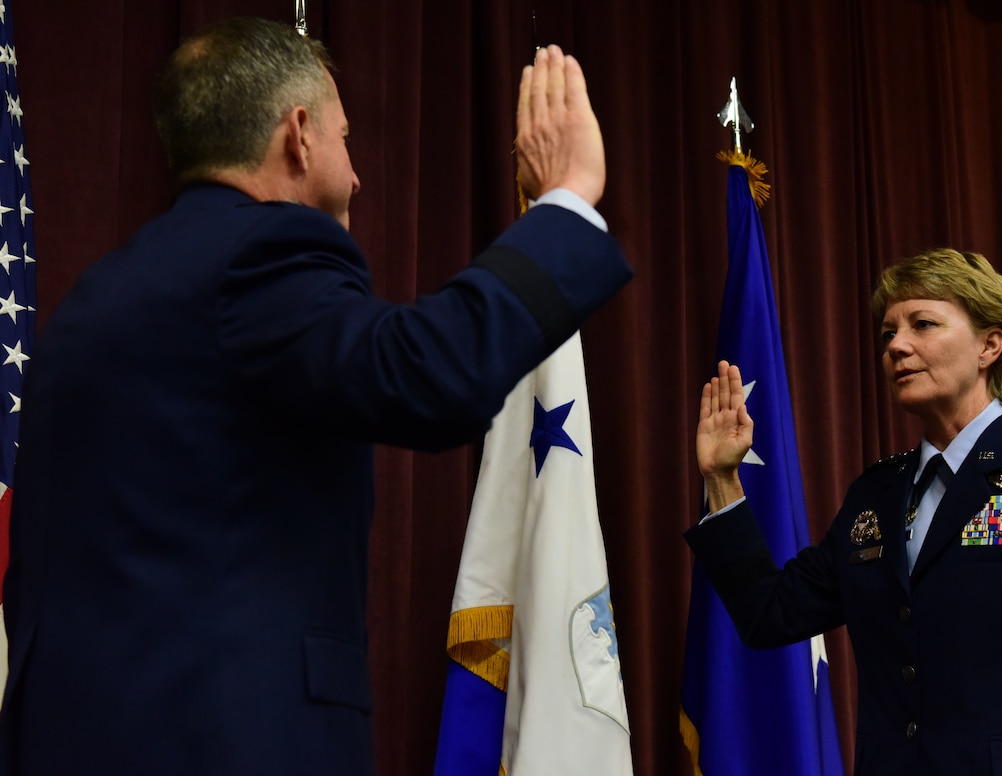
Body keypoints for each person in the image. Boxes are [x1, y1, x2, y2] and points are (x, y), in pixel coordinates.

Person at [0, 16, 630, 776]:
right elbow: (434, 376)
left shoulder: (87, 303)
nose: (357, 175)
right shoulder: (262, 252)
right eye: (345, 137)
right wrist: (566, 201)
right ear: (299, 135)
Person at [687, 248, 1002, 774]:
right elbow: (770, 615)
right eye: (888, 333)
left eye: (922, 324)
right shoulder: (876, 494)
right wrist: (722, 479)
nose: (896, 346)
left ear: (990, 345)